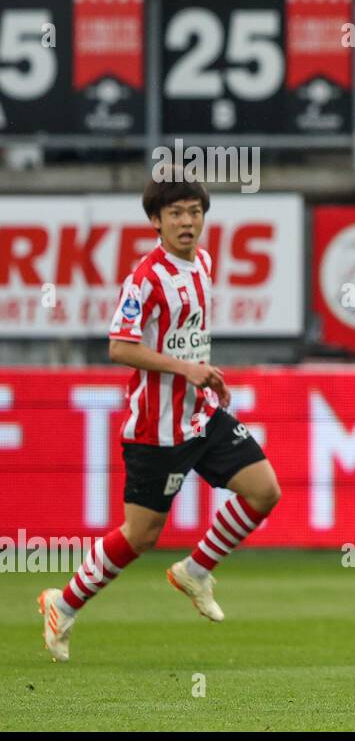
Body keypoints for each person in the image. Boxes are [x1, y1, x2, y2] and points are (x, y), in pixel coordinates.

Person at [38, 177, 283, 663]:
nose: (187, 221)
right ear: (156, 221)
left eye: (194, 211)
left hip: (201, 415)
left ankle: (196, 570)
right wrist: (185, 368)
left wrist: (204, 376)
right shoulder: (145, 279)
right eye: (176, 214)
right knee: (141, 535)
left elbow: (188, 336)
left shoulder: (205, 263)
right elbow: (119, 346)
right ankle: (62, 603)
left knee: (265, 490)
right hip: (156, 429)